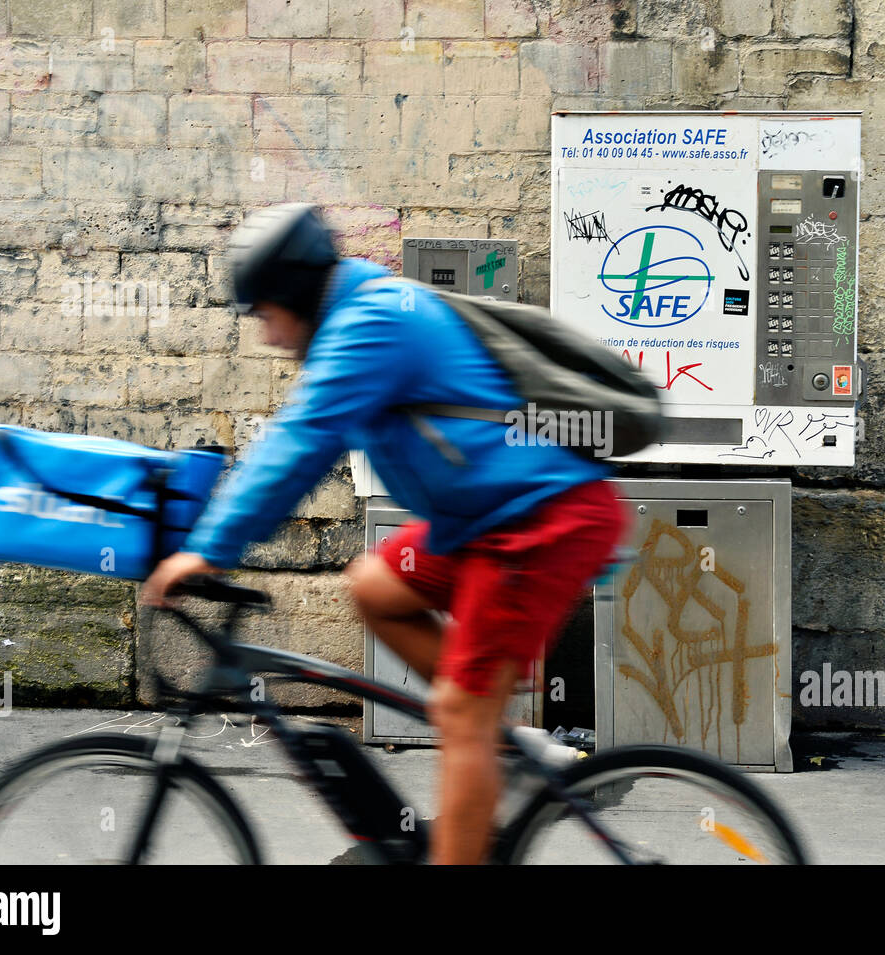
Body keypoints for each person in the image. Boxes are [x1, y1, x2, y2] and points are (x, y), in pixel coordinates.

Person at [140, 203, 629, 864]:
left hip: (541, 522)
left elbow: (300, 442)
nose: (266, 334)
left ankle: (476, 734)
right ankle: (501, 738)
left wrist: (208, 549)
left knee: (459, 711)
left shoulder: (369, 325)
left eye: (264, 313)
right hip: (480, 524)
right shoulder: (356, 315)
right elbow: (307, 439)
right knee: (375, 583)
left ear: (292, 294)